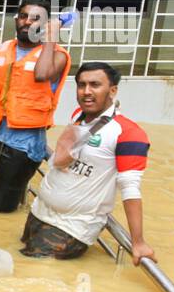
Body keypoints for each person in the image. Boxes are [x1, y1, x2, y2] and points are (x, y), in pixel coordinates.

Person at [23, 61, 153, 261]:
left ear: (113, 90)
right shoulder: (79, 115)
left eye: (95, 85)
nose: (86, 91)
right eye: (81, 85)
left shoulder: (129, 134)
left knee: (29, 270)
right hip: (40, 211)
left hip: (72, 226)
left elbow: (130, 189)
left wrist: (138, 242)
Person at [0, 0, 70, 212]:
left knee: (1, 211)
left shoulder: (56, 55)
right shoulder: (8, 46)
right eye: (24, 16)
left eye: (36, 19)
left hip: (24, 149)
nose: (27, 22)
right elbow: (2, 70)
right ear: (17, 19)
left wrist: (51, 37)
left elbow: (41, 74)